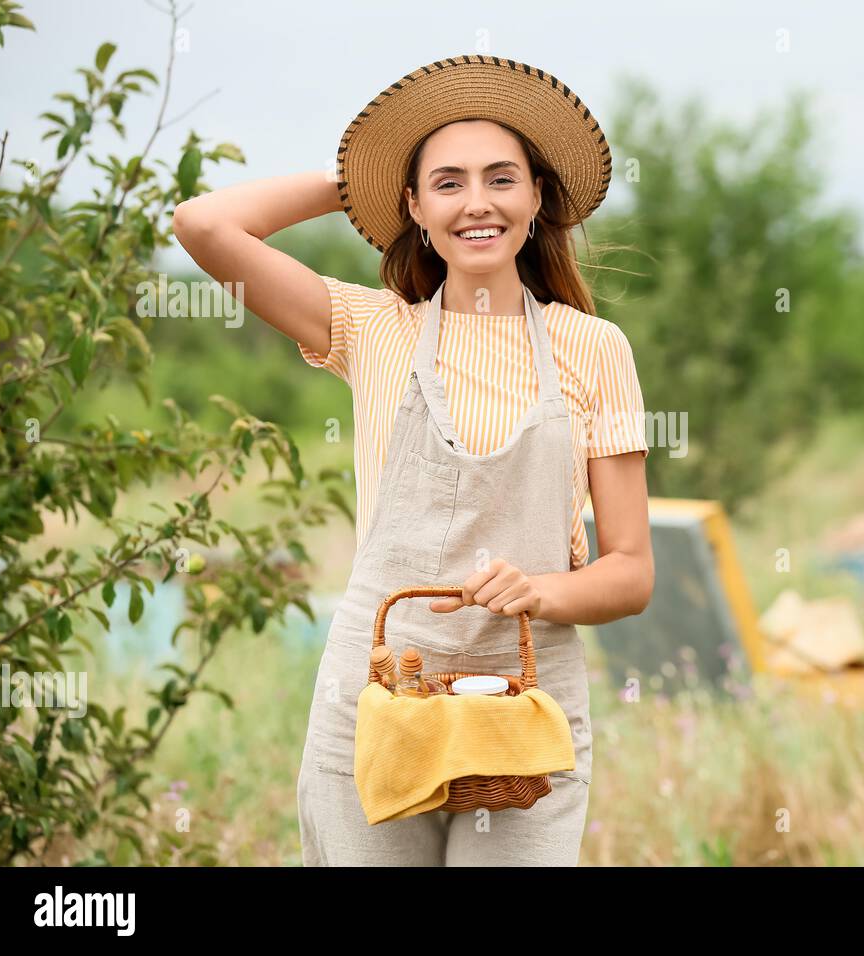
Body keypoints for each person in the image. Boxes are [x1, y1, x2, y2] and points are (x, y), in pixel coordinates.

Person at [173, 54, 654, 865]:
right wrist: (352, 180)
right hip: (378, 693)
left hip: (523, 704)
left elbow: (633, 571)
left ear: (537, 198)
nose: (477, 203)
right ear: (415, 205)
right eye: (447, 183)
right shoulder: (369, 328)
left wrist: (543, 590)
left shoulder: (594, 348)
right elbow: (203, 225)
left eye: (502, 179)